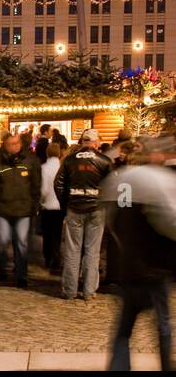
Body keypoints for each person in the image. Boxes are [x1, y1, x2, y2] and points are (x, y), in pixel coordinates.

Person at [102, 137, 176, 370]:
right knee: (163, 326)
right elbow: (171, 224)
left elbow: (113, 218)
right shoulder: (161, 182)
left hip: (129, 266)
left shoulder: (123, 180)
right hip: (155, 267)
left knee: (124, 329)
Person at [55, 128, 111, 301]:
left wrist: (66, 205)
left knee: (72, 250)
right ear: (95, 143)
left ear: (82, 142)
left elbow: (58, 184)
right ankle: (88, 291)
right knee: (92, 251)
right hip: (96, 209)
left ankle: (70, 290)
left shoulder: (69, 160)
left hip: (74, 208)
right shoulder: (104, 161)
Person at [0, 131, 41, 288]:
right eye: (11, 144)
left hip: (24, 209)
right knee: (2, 242)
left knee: (21, 243)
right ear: (5, 146)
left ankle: (21, 275)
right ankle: (2, 269)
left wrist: (35, 204)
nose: (15, 147)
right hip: (3, 209)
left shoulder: (30, 161)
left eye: (17, 144)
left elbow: (36, 185)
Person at [40, 140, 65, 275]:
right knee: (57, 234)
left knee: (47, 233)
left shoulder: (44, 168)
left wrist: (41, 200)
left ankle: (48, 257)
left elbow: (43, 189)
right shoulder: (62, 166)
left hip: (47, 205)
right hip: (59, 206)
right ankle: (56, 259)